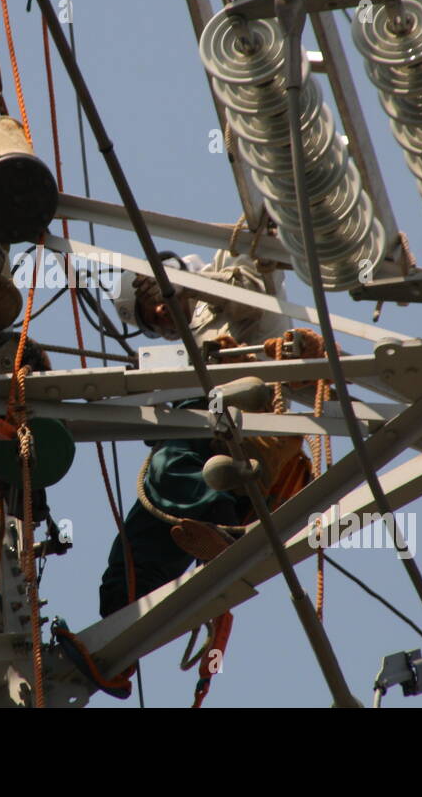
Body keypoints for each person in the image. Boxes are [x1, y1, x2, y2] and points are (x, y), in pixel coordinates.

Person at [98, 250, 323, 618]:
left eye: (151, 300)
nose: (158, 316)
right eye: (151, 325)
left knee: (168, 466)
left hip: (243, 424)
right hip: (211, 451)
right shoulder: (190, 345)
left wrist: (184, 285)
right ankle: (118, 615)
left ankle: (220, 526)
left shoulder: (225, 285)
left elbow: (248, 296)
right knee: (142, 530)